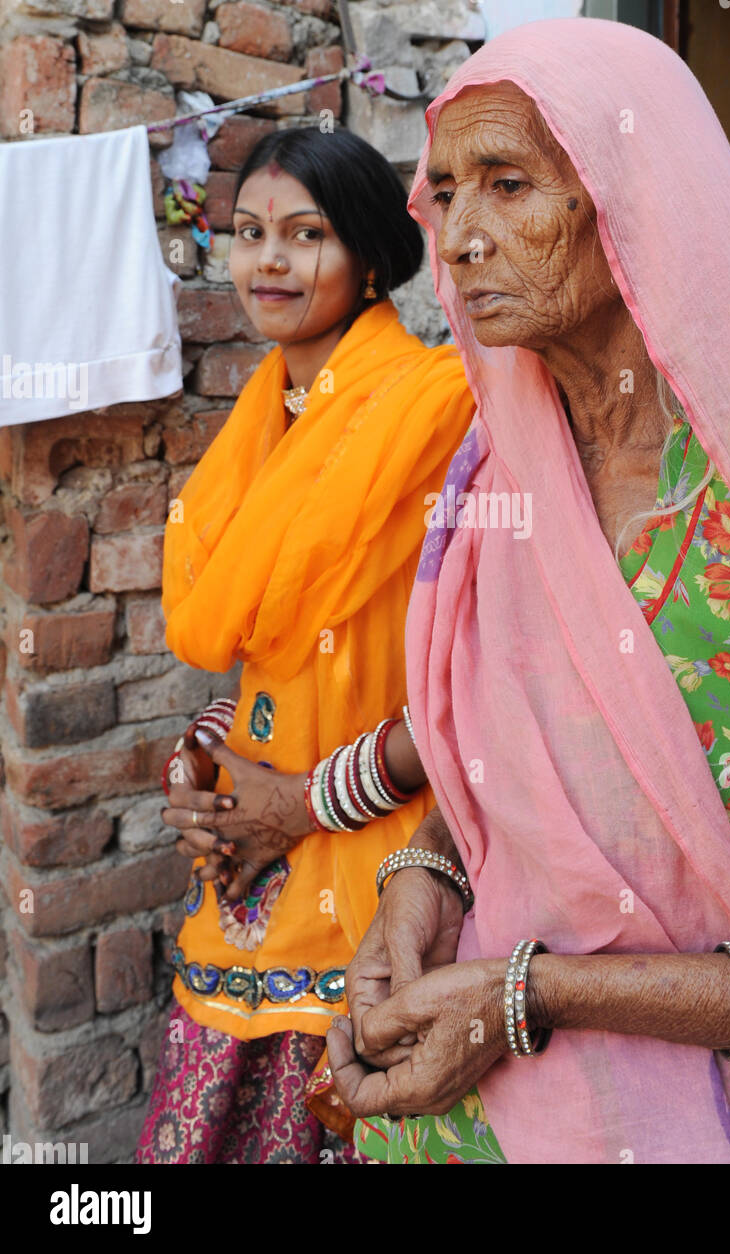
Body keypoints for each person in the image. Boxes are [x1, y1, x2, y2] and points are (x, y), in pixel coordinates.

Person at [325, 19, 730, 1164]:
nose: (460, 239)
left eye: (508, 185)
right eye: (445, 193)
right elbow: (511, 777)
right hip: (454, 1121)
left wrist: (530, 997)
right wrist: (415, 890)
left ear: (629, 196)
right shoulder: (503, 485)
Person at [135, 126, 473, 1164]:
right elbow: (264, 664)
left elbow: (475, 693)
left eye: (305, 233)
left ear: (370, 255)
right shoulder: (260, 420)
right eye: (248, 234)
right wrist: (207, 769)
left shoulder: (442, 410)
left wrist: (299, 802)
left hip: (382, 873)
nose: (268, 261)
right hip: (248, 880)